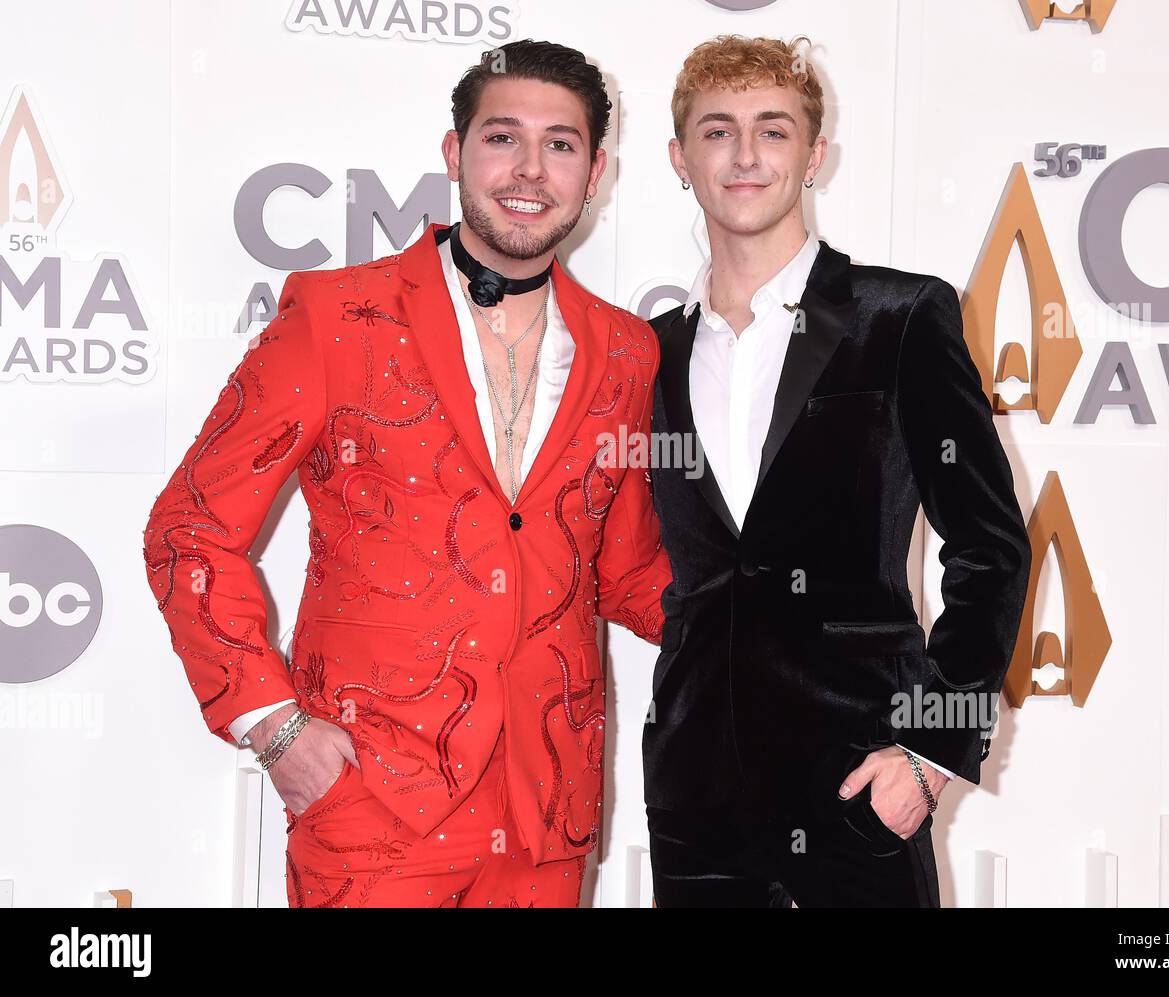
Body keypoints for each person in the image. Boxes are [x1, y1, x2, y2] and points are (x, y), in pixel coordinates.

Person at [142, 39, 670, 908]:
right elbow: (189, 530)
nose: (530, 169)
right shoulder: (335, 315)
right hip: (371, 806)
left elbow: (631, 573)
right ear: (455, 153)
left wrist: (803, 636)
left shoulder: (627, 349)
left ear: (597, 170)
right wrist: (276, 728)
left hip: (547, 817)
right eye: (503, 138)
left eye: (561, 144)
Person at [643, 34, 1032, 907]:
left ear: (816, 155)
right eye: (717, 131)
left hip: (862, 790)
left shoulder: (900, 317)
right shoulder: (648, 355)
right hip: (697, 808)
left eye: (773, 131)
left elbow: (992, 548)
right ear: (679, 158)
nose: (745, 155)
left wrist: (930, 757)